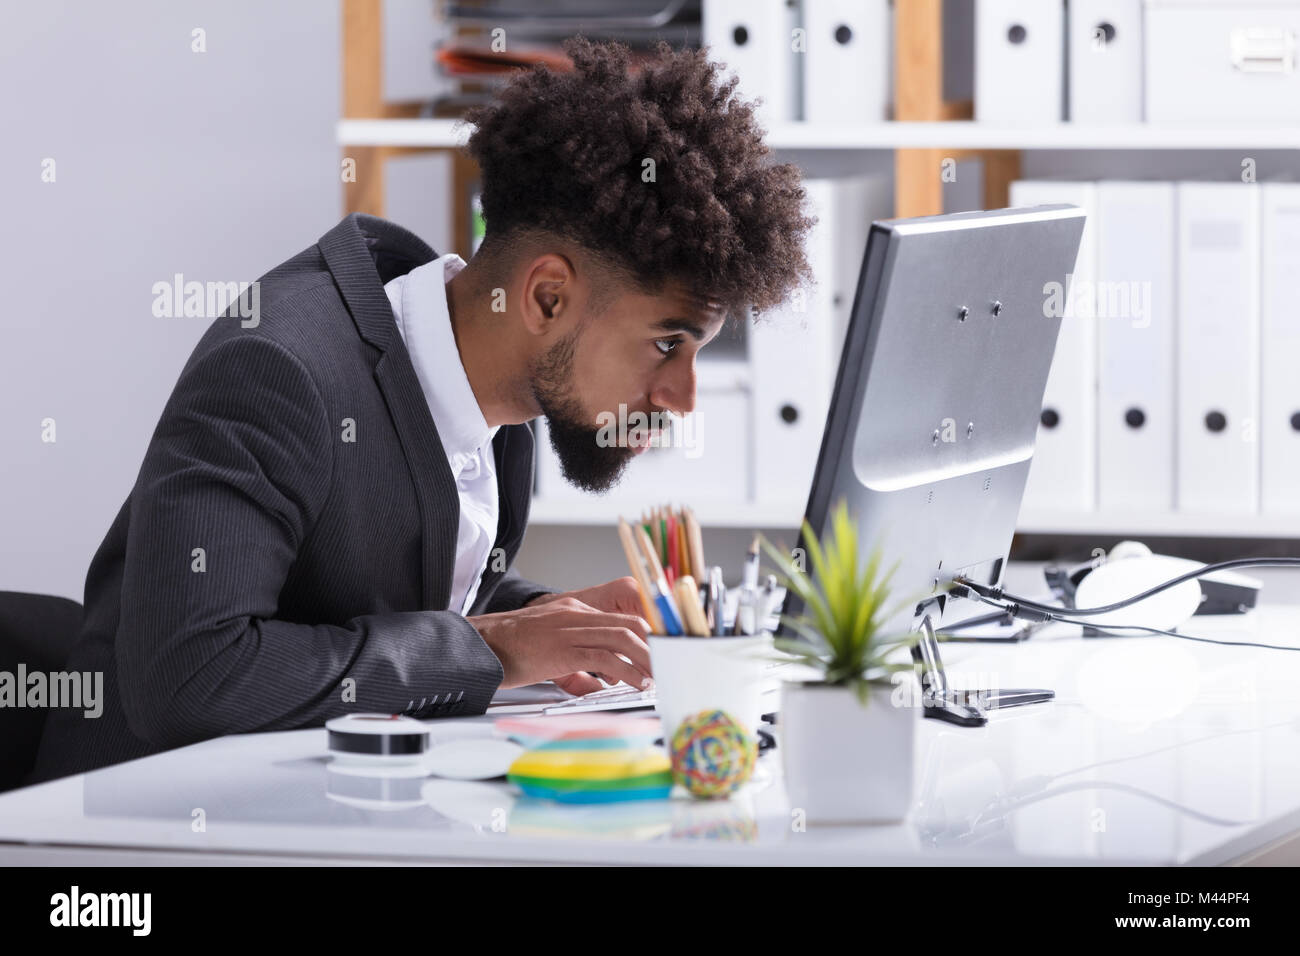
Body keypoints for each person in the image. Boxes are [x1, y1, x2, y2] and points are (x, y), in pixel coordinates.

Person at [28, 36, 813, 783]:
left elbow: (382, 594)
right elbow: (192, 677)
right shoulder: (279, 370)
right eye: (668, 344)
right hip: (141, 833)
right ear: (546, 296)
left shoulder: (492, 377)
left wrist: (550, 621)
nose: (682, 397)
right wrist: (492, 652)